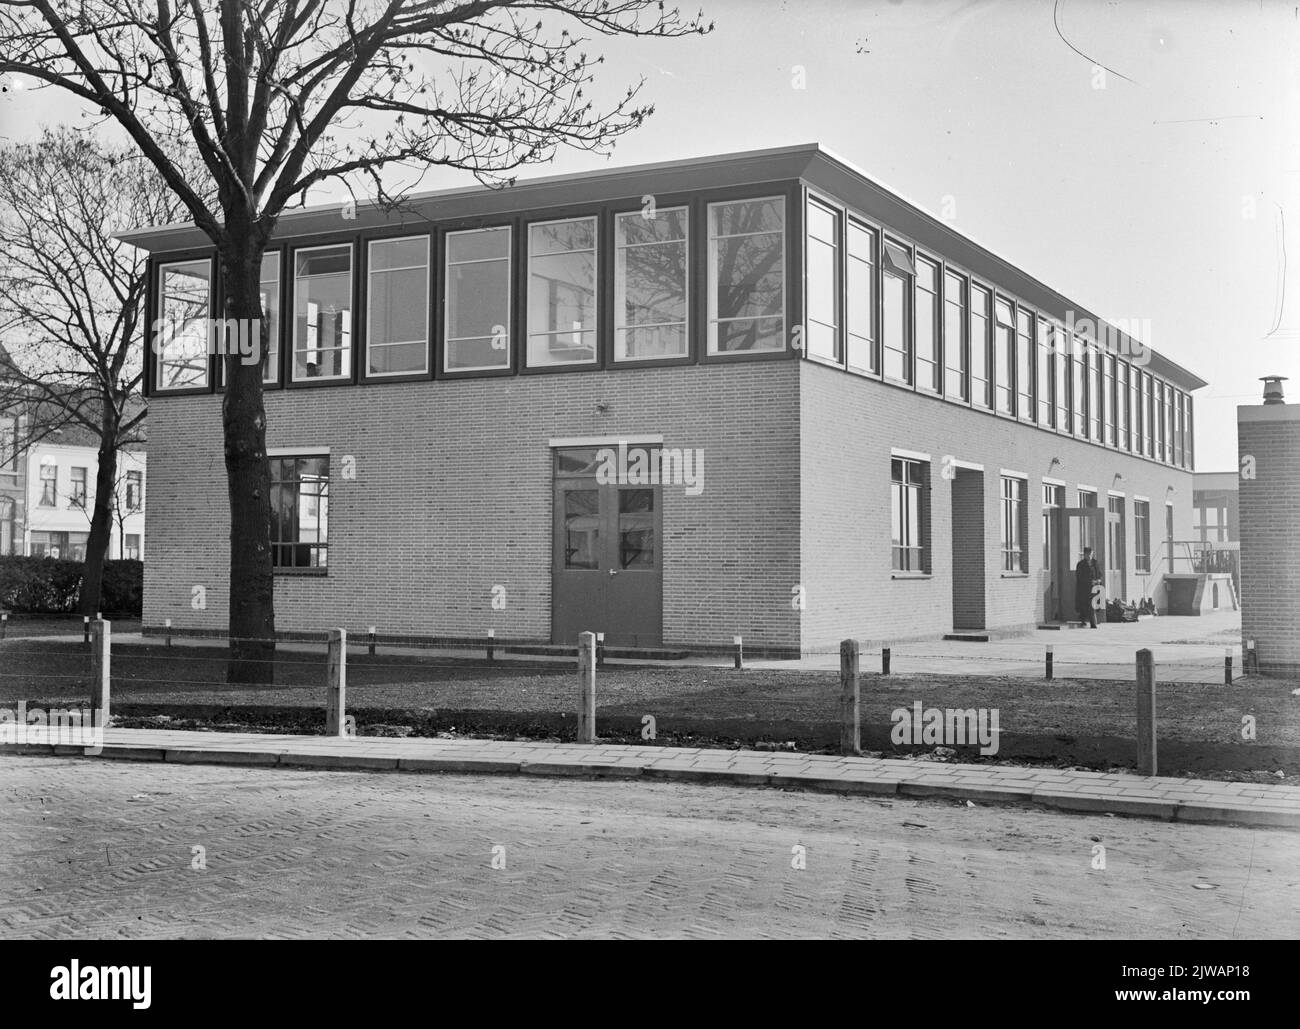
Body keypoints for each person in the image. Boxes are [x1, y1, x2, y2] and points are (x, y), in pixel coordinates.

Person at [1074, 547, 1101, 628]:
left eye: (1091, 554)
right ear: (1084, 555)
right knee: (1086, 605)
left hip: (1094, 588)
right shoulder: (1080, 564)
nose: (1089, 556)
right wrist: (1089, 581)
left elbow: (1099, 573)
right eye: (1088, 554)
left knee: (1092, 605)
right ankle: (1089, 623)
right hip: (1084, 589)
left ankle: (1091, 622)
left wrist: (1098, 580)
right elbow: (1080, 577)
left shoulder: (1095, 562)